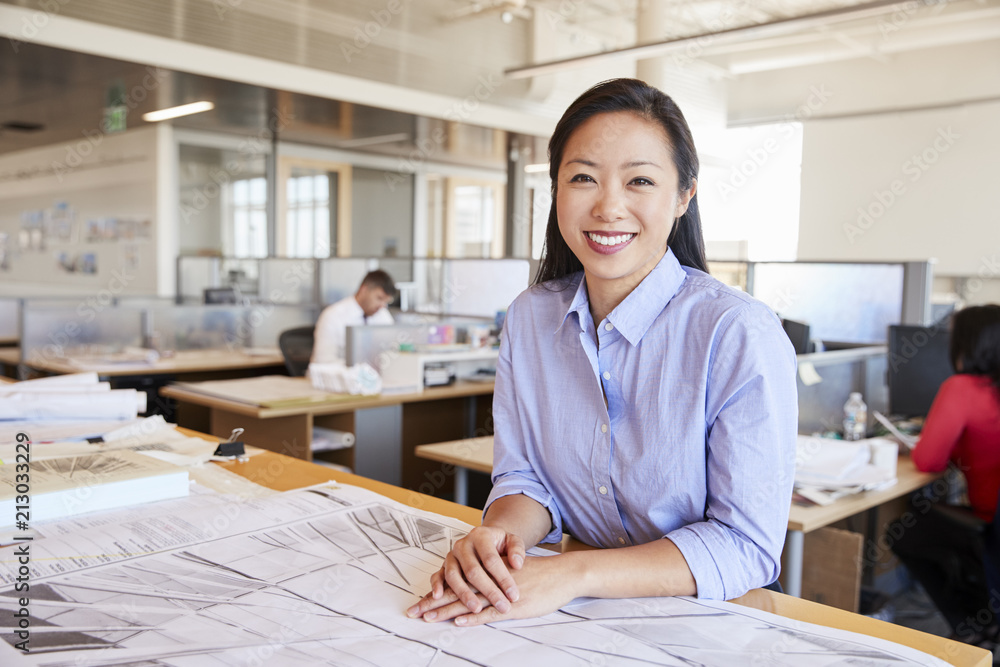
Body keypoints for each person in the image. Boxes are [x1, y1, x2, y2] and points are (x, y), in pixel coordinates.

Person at [406, 78, 798, 627]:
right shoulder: (530, 317)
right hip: (576, 617)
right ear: (557, 190)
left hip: (711, 618)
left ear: (684, 195)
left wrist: (576, 573)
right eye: (583, 177)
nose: (608, 206)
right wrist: (498, 540)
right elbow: (527, 480)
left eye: (640, 180)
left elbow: (747, 545)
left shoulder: (736, 332)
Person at [892, 304, 1000, 642]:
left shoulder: (963, 388)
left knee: (905, 531)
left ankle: (974, 627)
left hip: (990, 521)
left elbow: (928, 463)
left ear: (967, 345)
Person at [310, 269, 395, 366]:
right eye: (379, 298)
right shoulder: (333, 315)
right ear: (364, 290)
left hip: (372, 378)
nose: (382, 305)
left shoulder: (383, 315)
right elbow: (323, 362)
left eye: (386, 302)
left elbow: (391, 349)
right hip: (338, 378)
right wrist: (359, 370)